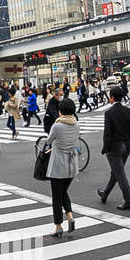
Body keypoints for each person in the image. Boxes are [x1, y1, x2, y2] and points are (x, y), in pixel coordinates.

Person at [43, 98, 81, 240]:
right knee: (63, 192)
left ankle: (58, 226)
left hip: (59, 166)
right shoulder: (76, 124)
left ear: (60, 112)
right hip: (72, 165)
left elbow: (48, 141)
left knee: (56, 197)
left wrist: (53, 146)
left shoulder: (57, 126)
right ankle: (70, 215)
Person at [96, 86, 130, 211]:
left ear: (112, 98)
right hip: (126, 145)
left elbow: (107, 133)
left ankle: (129, 201)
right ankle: (105, 193)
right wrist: (128, 142)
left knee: (120, 174)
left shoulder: (109, 113)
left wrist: (105, 149)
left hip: (115, 147)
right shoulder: (128, 111)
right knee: (116, 172)